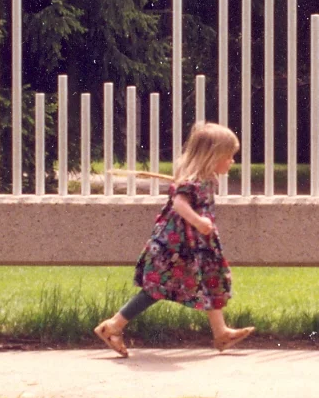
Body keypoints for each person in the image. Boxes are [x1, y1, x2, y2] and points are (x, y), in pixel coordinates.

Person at [93, 122, 254, 358]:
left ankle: (220, 333)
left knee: (211, 281)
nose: (232, 161)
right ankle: (113, 326)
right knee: (157, 287)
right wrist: (199, 222)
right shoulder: (193, 181)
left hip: (197, 246)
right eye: (228, 156)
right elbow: (180, 204)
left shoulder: (203, 179)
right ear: (212, 156)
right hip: (177, 246)